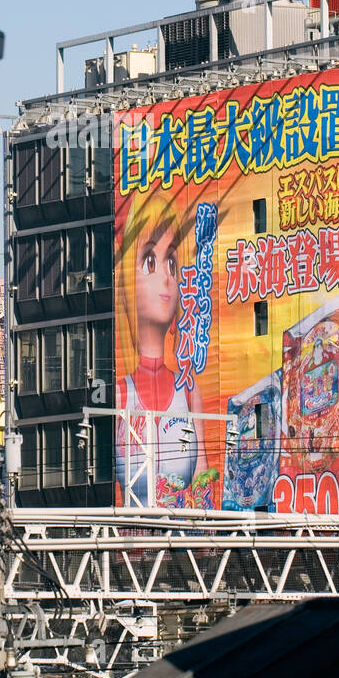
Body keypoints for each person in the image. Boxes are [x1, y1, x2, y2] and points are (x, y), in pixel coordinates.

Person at [115, 193, 211, 507]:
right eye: (150, 261)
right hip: (125, 549)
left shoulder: (188, 387)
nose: (167, 278)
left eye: (171, 262)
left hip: (185, 546)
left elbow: (202, 481)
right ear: (127, 281)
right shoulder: (116, 396)